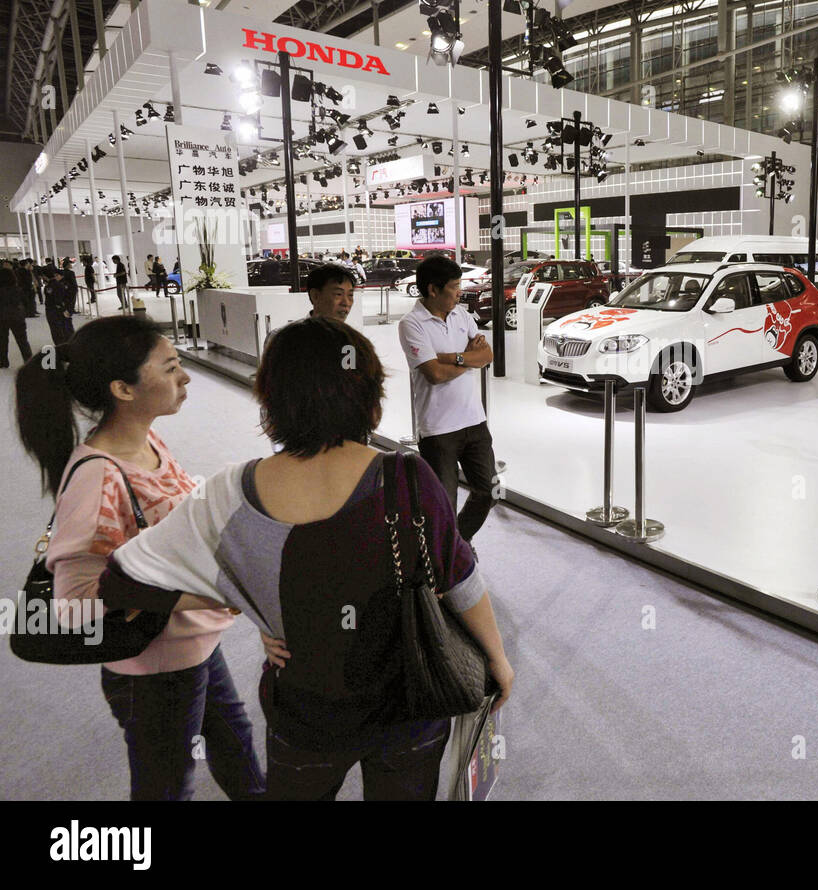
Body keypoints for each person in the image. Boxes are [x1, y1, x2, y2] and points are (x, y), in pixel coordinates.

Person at [97, 317, 513, 800]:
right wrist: (498, 660)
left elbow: (123, 581)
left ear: (270, 402)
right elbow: (461, 581)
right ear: (371, 400)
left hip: (304, 709)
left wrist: (242, 602)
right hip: (410, 700)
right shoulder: (407, 476)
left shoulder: (227, 492)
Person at [14, 316, 265, 801]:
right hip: (155, 672)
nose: (186, 376)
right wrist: (198, 597)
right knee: (166, 786)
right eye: (170, 368)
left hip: (195, 646)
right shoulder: (98, 477)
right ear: (122, 389)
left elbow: (165, 511)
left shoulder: (145, 440)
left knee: (235, 746)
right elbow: (74, 604)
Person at [399, 256, 497, 549]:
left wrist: (450, 357)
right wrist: (467, 358)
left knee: (489, 491)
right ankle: (441, 568)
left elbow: (487, 356)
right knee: (442, 506)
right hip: (438, 430)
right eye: (454, 287)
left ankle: (459, 543)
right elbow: (435, 375)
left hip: (474, 422)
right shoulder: (411, 324)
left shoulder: (462, 315)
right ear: (433, 290)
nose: (459, 293)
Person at [0, 267, 34, 367]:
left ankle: (3, 362)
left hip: (1, 318)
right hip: (17, 317)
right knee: (22, 340)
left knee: (2, 341)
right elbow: (26, 302)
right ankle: (29, 361)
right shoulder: (17, 289)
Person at [41, 265, 76, 345]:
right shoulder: (58, 284)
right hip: (59, 310)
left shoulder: (51, 286)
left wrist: (64, 309)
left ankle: (62, 347)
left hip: (54, 311)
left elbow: (57, 300)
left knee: (57, 331)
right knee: (64, 329)